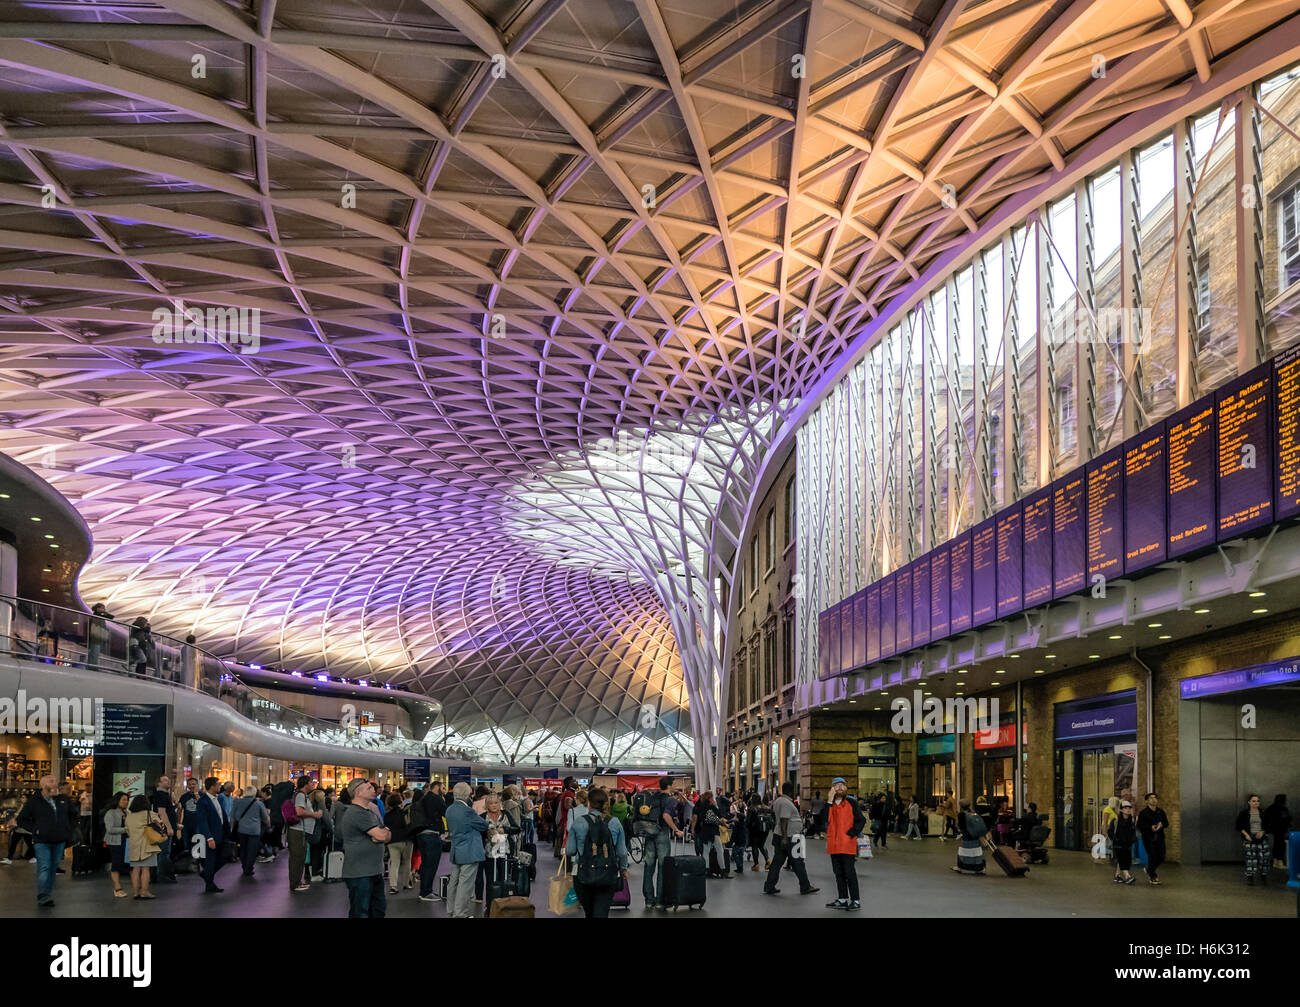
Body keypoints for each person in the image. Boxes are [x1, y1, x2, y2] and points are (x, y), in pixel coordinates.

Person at [14, 774, 77, 907]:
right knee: (44, 866)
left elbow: (73, 814)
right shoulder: (34, 801)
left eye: (55, 782)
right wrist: (35, 829)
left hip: (59, 840)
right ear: (43, 785)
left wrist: (68, 830)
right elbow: (21, 819)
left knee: (53, 867)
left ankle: (47, 893)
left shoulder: (63, 800)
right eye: (51, 782)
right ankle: (43, 896)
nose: (55, 784)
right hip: (41, 841)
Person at [565, 787, 628, 918]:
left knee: (589, 912)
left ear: (589, 803)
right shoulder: (615, 822)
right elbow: (622, 852)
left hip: (583, 874)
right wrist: (623, 869)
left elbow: (570, 851)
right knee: (602, 912)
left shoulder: (579, 822)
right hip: (608, 873)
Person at [338, 778, 390, 918]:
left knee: (377, 911)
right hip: (360, 874)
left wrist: (382, 834)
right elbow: (381, 835)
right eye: (369, 788)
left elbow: (386, 834)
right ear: (358, 792)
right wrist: (381, 834)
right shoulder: (356, 813)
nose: (374, 789)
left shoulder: (370, 812)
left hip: (373, 872)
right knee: (361, 912)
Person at [632, 776, 684, 910]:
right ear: (669, 786)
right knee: (662, 867)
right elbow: (666, 816)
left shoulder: (652, 796)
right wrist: (676, 830)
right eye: (674, 784)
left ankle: (649, 900)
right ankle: (661, 901)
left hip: (649, 834)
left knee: (649, 867)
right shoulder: (670, 800)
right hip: (661, 834)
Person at [762, 782, 819, 896]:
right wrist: (784, 838)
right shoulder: (786, 803)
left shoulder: (778, 801)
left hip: (782, 835)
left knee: (777, 863)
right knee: (798, 862)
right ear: (790, 791)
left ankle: (769, 886)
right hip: (790, 837)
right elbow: (784, 820)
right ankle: (805, 886)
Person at [818, 777, 866, 910]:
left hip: (847, 844)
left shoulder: (851, 802)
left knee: (849, 873)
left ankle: (855, 900)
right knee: (838, 873)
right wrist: (828, 800)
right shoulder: (829, 804)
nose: (839, 788)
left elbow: (861, 820)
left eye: (842, 785)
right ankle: (842, 898)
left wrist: (852, 833)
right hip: (833, 844)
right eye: (836, 785)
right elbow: (823, 819)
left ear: (846, 788)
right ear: (832, 789)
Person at [445, 781, 487, 918]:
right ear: (467, 794)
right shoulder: (468, 811)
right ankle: (460, 914)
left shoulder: (449, 809)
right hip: (469, 850)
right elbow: (483, 825)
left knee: (454, 882)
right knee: (465, 884)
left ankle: (451, 910)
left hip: (456, 850)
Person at [287, 775, 322, 892]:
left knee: (298, 857)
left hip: (299, 830)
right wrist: (314, 815)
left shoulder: (300, 795)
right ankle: (295, 883)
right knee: (298, 857)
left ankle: (297, 882)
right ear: (306, 783)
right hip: (299, 830)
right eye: (312, 782)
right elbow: (299, 811)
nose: (313, 784)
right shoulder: (301, 795)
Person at [194, 776, 227, 893]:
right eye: (218, 784)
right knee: (210, 860)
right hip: (211, 836)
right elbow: (203, 821)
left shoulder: (216, 799)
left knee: (223, 858)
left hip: (220, 834)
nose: (220, 787)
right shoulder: (203, 801)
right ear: (212, 786)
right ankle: (209, 883)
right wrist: (209, 837)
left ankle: (207, 875)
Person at [125, 795, 162, 900]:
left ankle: (136, 892)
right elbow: (160, 825)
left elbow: (127, 831)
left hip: (134, 845)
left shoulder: (129, 816)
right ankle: (144, 891)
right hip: (147, 846)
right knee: (146, 869)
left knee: (135, 869)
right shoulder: (150, 814)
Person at [416, 781, 447, 902]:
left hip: (421, 834)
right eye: (443, 788)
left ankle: (423, 890)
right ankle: (426, 892)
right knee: (431, 864)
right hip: (432, 834)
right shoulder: (436, 799)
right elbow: (446, 813)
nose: (444, 790)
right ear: (437, 787)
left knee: (425, 863)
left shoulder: (423, 799)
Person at [232, 786, 269, 877]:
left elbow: (234, 816)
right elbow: (265, 817)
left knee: (243, 849)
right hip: (254, 830)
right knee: (252, 850)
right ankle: (249, 868)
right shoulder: (259, 803)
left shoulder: (238, 802)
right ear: (254, 793)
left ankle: (244, 866)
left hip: (242, 830)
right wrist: (268, 825)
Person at [149, 776, 179, 884]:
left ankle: (156, 875)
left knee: (161, 852)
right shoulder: (161, 795)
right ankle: (161, 875)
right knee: (164, 852)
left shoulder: (164, 795)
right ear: (159, 783)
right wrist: (169, 827)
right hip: (163, 829)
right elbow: (162, 812)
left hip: (162, 827)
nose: (168, 781)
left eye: (168, 779)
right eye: (165, 780)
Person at [1236, 794, 1270, 886]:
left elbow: (1268, 825)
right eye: (1254, 801)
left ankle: (1263, 876)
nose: (1256, 803)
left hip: (1262, 838)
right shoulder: (1244, 813)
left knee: (1264, 858)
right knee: (1251, 858)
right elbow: (1239, 825)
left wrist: (1262, 831)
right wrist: (1246, 835)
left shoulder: (1263, 813)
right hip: (1249, 838)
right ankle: (1250, 877)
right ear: (1249, 802)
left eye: (1257, 801)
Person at [1135, 792, 1169, 885]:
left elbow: (1166, 823)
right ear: (1146, 801)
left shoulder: (1160, 812)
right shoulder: (1143, 813)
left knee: (1161, 856)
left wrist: (1161, 824)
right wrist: (1150, 827)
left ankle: (1149, 869)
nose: (1154, 800)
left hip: (1160, 837)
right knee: (1152, 856)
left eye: (1155, 798)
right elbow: (1139, 826)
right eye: (1151, 798)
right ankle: (1152, 876)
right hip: (1148, 838)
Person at [384, 790, 413, 894]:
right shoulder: (404, 813)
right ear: (400, 802)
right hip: (406, 840)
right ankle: (406, 883)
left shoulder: (387, 816)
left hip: (392, 841)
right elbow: (408, 826)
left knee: (394, 863)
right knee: (406, 862)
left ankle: (393, 886)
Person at [104, 791, 130, 898]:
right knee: (116, 863)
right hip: (114, 841)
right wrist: (125, 829)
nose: (126, 802)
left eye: (127, 800)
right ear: (117, 800)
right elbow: (110, 829)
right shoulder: (111, 812)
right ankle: (117, 887)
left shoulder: (127, 812)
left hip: (126, 841)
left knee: (125, 864)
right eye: (123, 799)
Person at [953, 799, 986, 875]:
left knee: (963, 852)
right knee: (976, 852)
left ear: (961, 806)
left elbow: (960, 826)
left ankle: (960, 867)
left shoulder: (961, 814)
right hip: (975, 836)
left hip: (967, 836)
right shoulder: (974, 813)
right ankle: (979, 868)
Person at [1108, 800, 1137, 884]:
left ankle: (1117, 875)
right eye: (1125, 808)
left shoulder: (1131, 821)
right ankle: (1127, 876)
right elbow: (1110, 831)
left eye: (1129, 808)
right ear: (1121, 810)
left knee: (1125, 860)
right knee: (1123, 860)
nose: (1128, 810)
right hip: (1118, 845)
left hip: (1127, 845)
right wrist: (1115, 839)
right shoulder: (1116, 820)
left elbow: (1133, 832)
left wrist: (1132, 840)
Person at [1262, 794, 1291, 870]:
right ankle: (1280, 862)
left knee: (1276, 844)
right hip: (1281, 829)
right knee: (1281, 845)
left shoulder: (1270, 808)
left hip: (1273, 830)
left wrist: (1267, 828)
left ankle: (1275, 862)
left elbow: (1265, 818)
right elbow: (1287, 819)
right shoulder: (1283, 808)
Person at [747, 795, 773, 871]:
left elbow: (748, 821)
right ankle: (768, 861)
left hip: (755, 830)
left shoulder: (752, 808)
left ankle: (756, 865)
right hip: (765, 830)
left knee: (754, 845)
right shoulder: (766, 807)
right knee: (761, 844)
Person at [86, 602, 112, 667]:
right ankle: (92, 667)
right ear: (98, 608)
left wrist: (103, 613)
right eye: (103, 608)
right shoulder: (95, 617)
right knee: (94, 653)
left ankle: (92, 666)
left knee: (94, 653)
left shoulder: (101, 617)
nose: (104, 610)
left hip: (98, 637)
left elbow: (111, 617)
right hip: (95, 637)